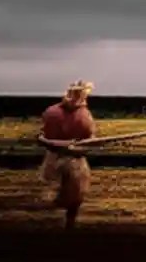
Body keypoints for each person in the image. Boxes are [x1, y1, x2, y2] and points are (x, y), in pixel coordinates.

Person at [38, 80, 97, 230]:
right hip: (66, 159)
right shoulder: (80, 115)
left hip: (62, 158)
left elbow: (89, 141)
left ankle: (65, 224)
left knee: (71, 195)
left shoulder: (55, 112)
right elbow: (43, 136)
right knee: (63, 195)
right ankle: (58, 225)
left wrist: (83, 146)